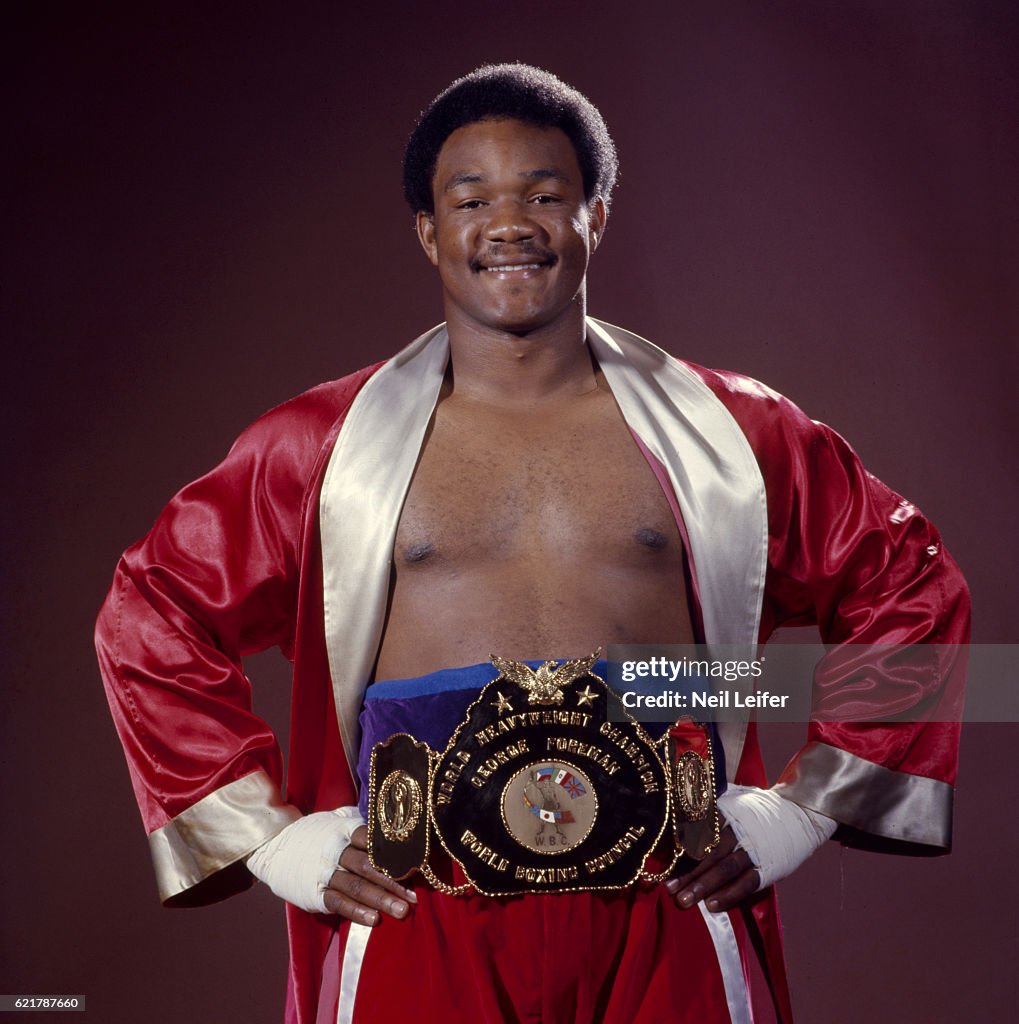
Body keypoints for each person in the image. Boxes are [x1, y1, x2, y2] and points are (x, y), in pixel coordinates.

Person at [95, 64, 969, 1024]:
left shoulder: (732, 431)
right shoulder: (317, 449)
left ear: (596, 215)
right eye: (471, 199)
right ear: (429, 231)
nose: (508, 224)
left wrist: (800, 811)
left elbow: (909, 584)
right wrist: (271, 840)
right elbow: (153, 612)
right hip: (418, 894)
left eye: (545, 196)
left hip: (669, 888)